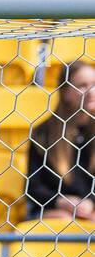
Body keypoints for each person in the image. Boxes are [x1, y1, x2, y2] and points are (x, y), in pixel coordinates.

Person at [25, 60, 95, 221]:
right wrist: (60, 201)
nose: (91, 92)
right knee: (64, 221)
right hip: (52, 210)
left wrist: (91, 203)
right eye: (82, 85)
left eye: (94, 84)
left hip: (91, 211)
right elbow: (32, 187)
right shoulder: (43, 133)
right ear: (65, 92)